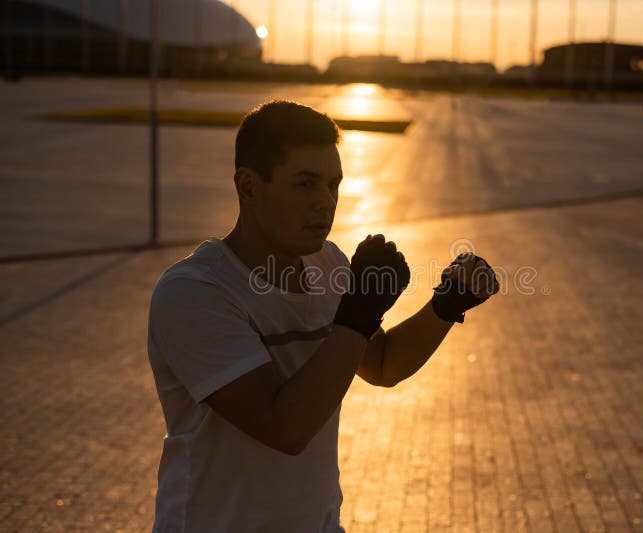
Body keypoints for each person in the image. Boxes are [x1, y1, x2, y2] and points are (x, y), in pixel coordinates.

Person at [147, 100, 499, 532]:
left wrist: (446, 304)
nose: (325, 203)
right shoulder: (195, 292)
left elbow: (382, 364)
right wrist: (358, 315)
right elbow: (285, 428)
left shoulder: (328, 264)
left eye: (333, 185)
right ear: (248, 186)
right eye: (305, 184)